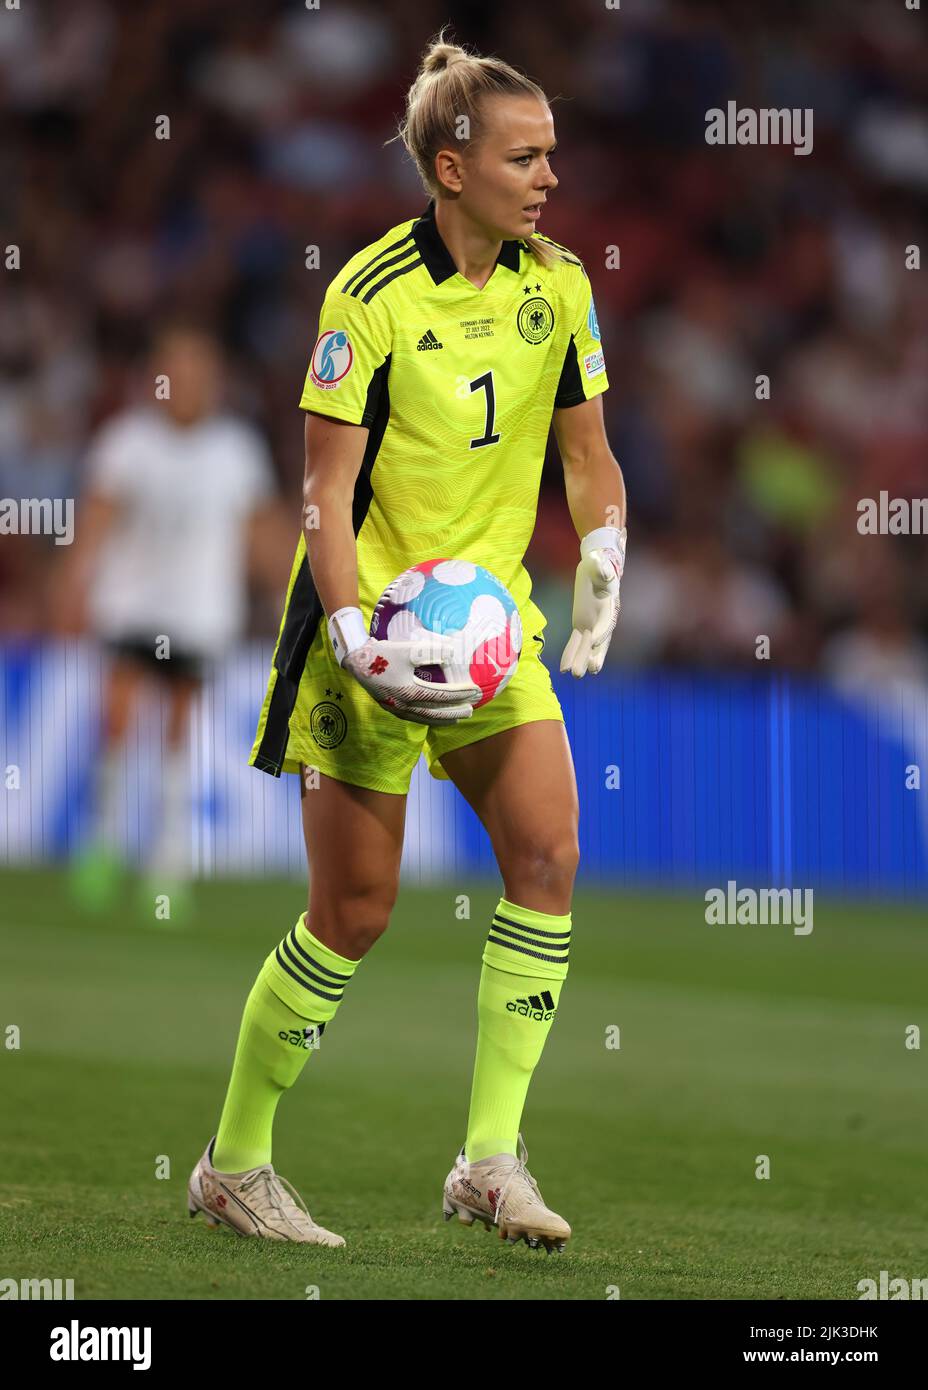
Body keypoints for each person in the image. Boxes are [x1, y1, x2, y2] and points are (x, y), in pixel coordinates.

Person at [187, 32, 627, 1253]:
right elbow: (324, 490)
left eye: (553, 154)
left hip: (490, 633)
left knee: (547, 855)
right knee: (356, 912)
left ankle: (490, 1158)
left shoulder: (560, 288)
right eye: (524, 157)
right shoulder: (367, 297)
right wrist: (346, 627)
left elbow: (588, 461)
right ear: (450, 164)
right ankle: (234, 1163)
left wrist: (603, 557)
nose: (549, 177)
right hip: (365, 629)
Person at [58, 320, 284, 915]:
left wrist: (290, 597)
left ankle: (168, 860)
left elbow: (260, 532)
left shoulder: (235, 450)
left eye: (198, 373)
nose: (187, 383)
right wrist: (74, 585)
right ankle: (101, 846)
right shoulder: (128, 441)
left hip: (199, 611)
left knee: (180, 735)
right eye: (177, 372)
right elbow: (96, 521)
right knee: (116, 725)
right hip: (132, 604)